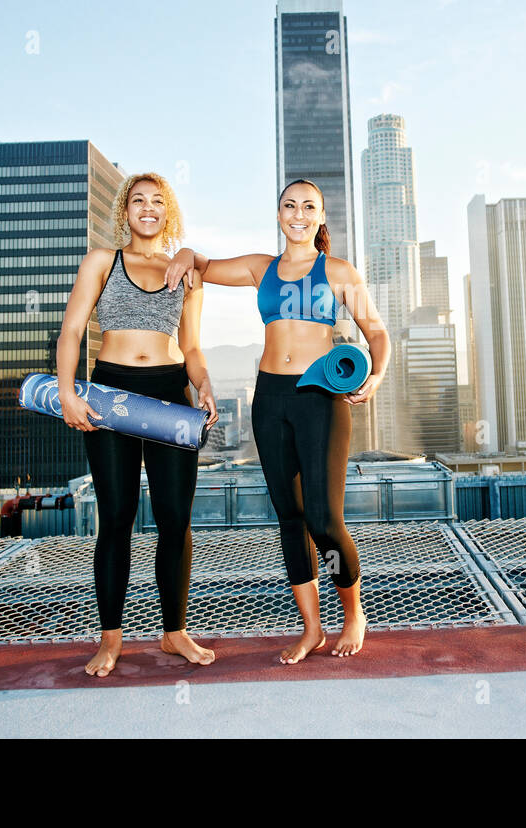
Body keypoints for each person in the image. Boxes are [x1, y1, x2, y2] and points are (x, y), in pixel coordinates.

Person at [164, 179, 390, 662]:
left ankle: (353, 613)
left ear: (321, 216)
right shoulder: (259, 268)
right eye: (290, 206)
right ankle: (311, 629)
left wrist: (377, 375)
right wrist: (185, 250)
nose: (299, 213)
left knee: (324, 520)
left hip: (321, 395)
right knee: (290, 517)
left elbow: (377, 332)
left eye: (309, 206)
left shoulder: (340, 271)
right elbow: (202, 266)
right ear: (279, 214)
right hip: (270, 397)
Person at [56, 172, 218, 677]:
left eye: (157, 202)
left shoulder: (186, 273)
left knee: (175, 519)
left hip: (171, 394)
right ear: (124, 210)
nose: (147, 208)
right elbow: (73, 328)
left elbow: (190, 347)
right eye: (137, 201)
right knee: (117, 516)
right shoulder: (102, 261)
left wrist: (205, 384)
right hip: (110, 395)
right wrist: (67, 390)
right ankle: (110, 639)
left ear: (167, 211)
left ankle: (174, 633)